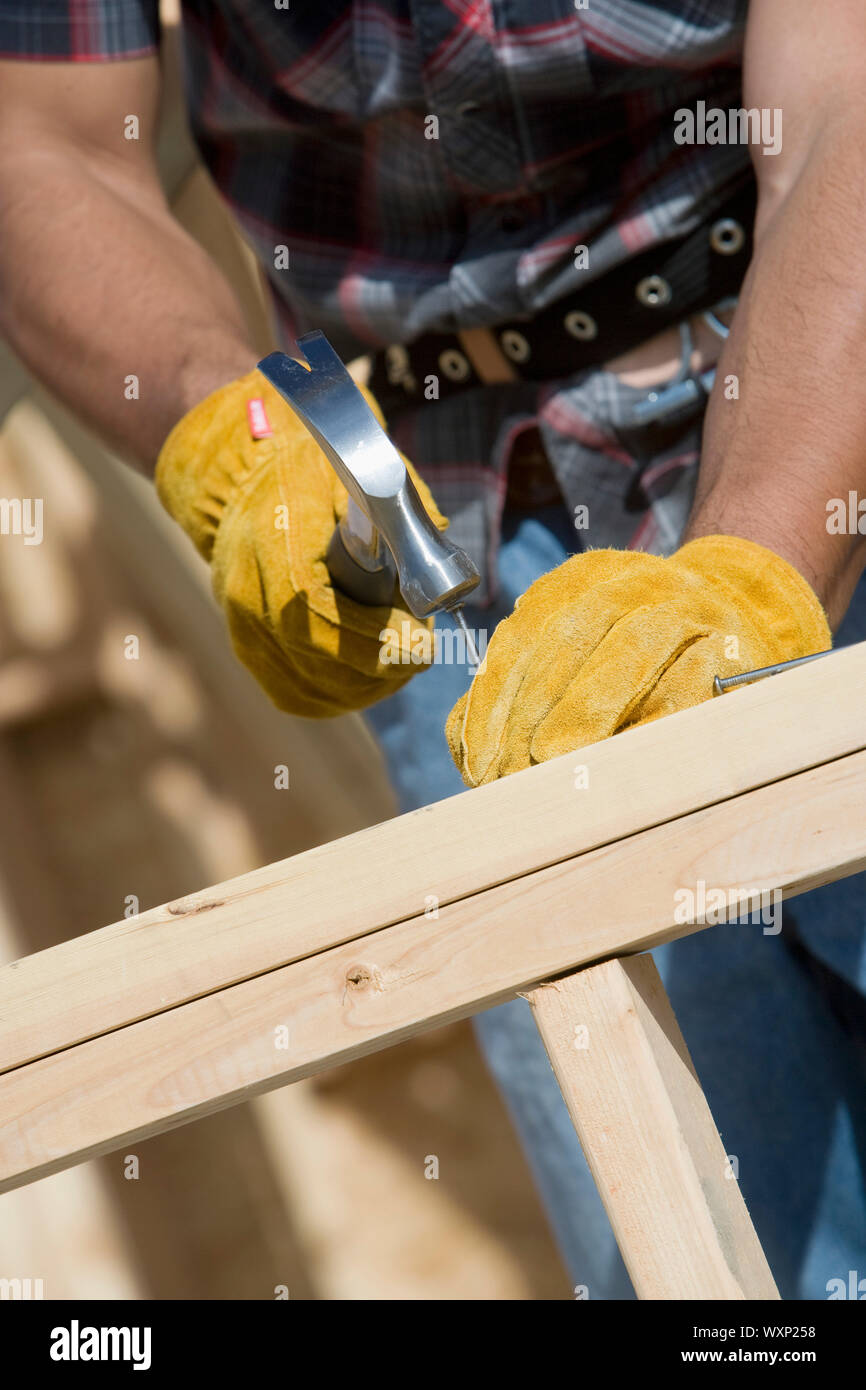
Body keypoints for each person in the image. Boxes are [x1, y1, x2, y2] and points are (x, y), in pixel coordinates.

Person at [1, 1, 864, 1299]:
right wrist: (227, 437)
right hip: (434, 522)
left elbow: (845, 97)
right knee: (696, 1255)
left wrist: (748, 569)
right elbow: (46, 142)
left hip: (810, 358)